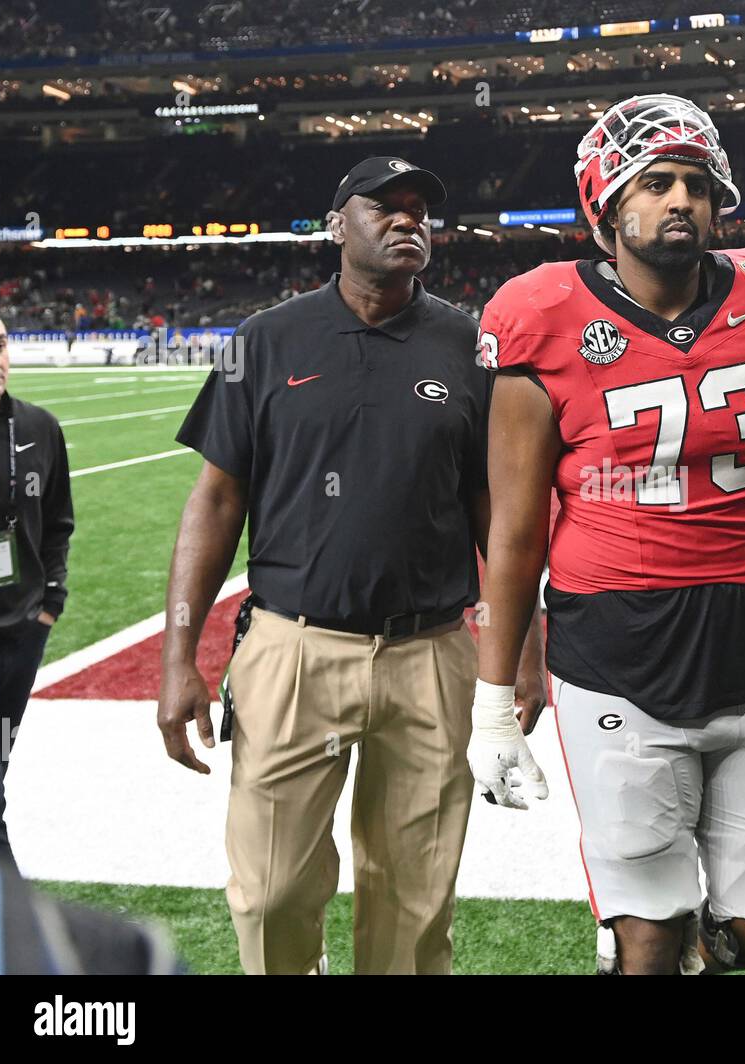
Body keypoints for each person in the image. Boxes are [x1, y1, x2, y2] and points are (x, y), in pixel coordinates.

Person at [469, 94, 745, 975]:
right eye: (656, 182)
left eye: (696, 183)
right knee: (649, 935)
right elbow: (513, 529)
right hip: (614, 647)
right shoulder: (542, 317)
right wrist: (492, 701)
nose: (681, 200)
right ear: (608, 202)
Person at [158, 156, 546, 975]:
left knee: (413, 899)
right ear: (338, 225)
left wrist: (522, 654)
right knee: (269, 891)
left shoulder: (471, 347)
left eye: (422, 211)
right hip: (292, 650)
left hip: (434, 653)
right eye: (388, 208)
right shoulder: (266, 339)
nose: (411, 221)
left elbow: (499, 514)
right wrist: (176, 659)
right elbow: (215, 501)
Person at [0, 309, 73, 866]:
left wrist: (50, 606)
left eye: (0, 345)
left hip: (20, 636)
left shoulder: (39, 428)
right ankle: (12, 943)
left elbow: (59, 522)